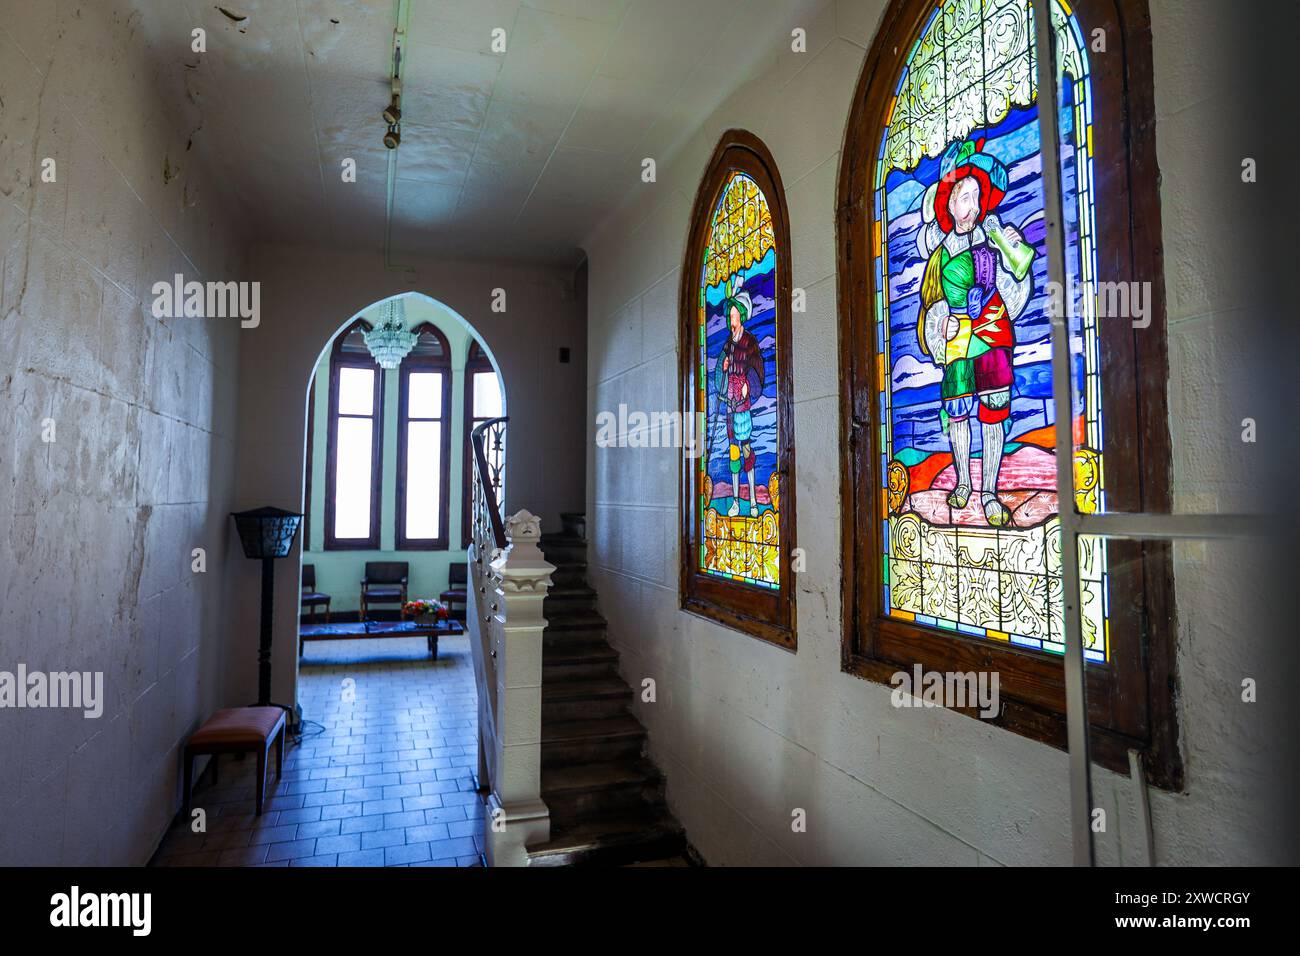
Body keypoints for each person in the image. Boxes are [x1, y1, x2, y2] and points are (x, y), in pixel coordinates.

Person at [915, 136, 1033, 527]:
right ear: (949, 203)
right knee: (958, 414)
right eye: (965, 196)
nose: (974, 204)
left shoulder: (993, 239)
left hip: (993, 332)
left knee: (994, 413)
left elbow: (1011, 290)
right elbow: (932, 301)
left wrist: (1018, 262)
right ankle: (964, 481)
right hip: (956, 341)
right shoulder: (941, 253)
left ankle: (990, 491)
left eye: (977, 196)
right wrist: (940, 323)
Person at [714, 290, 765, 517]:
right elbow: (718, 380)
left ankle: (753, 501)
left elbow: (759, 371)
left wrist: (750, 386)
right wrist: (723, 371)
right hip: (729, 409)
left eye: (735, 315)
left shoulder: (750, 342)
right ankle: (735, 501)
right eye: (730, 316)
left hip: (743, 408)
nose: (731, 320)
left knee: (747, 452)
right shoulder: (727, 346)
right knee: (733, 453)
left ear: (742, 317)